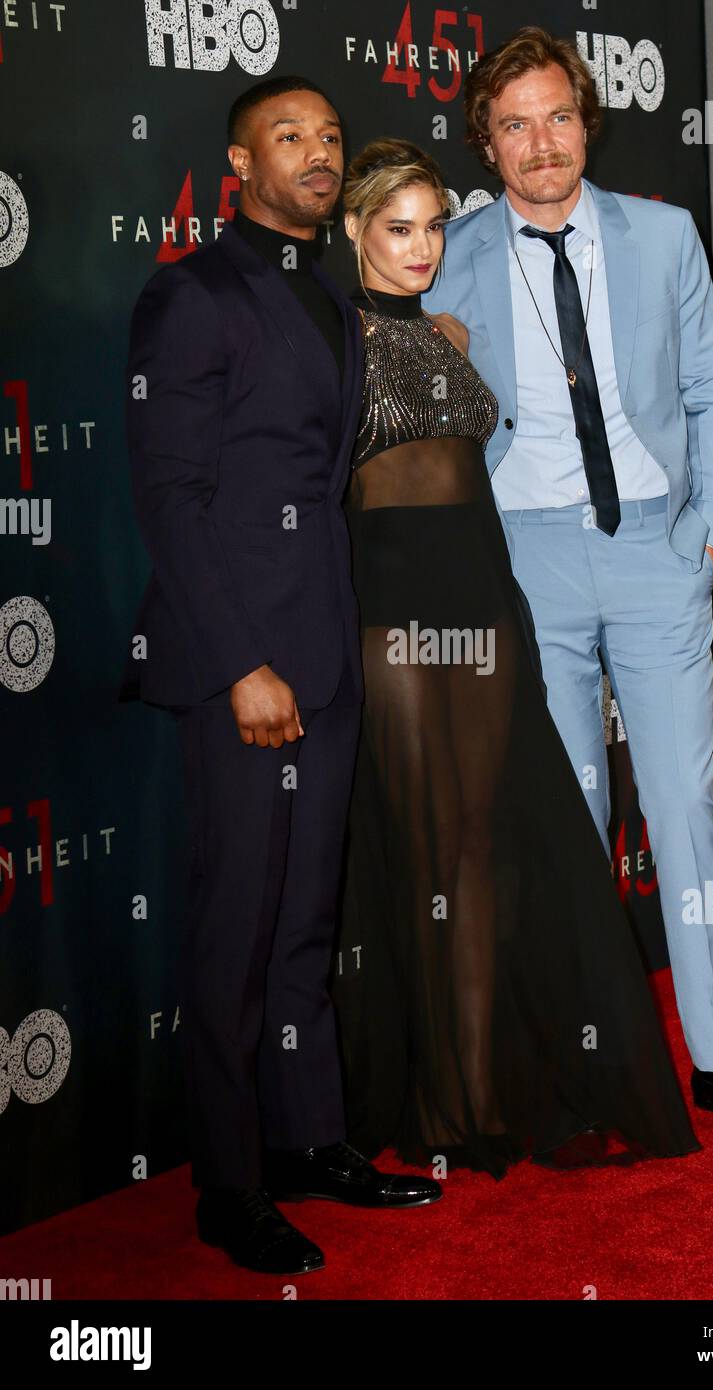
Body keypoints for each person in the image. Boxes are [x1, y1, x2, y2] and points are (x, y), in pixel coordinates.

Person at [420, 27, 713, 1139]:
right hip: (527, 558)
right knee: (569, 814)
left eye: (558, 117)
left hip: (655, 552)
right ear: (486, 143)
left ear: (585, 123)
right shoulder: (451, 254)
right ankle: (590, 1061)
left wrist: (711, 534)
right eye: (515, 125)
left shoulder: (664, 235)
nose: (541, 142)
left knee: (684, 808)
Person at [329, 137, 702, 1181]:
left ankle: (488, 1089)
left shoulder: (450, 332)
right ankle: (442, 1104)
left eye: (434, 227)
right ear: (353, 230)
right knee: (428, 855)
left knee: (485, 849)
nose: (422, 247)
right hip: (395, 621)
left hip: (486, 607)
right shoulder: (329, 341)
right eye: (398, 228)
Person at [119, 77, 441, 1278]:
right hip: (244, 669)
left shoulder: (327, 292)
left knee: (305, 922)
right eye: (288, 137)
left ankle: (308, 1141)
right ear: (239, 166)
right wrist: (240, 663)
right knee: (237, 933)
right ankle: (228, 1183)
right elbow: (171, 497)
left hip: (326, 651)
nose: (317, 153)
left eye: (330, 137)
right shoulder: (194, 294)